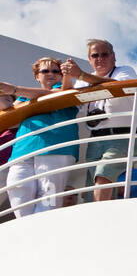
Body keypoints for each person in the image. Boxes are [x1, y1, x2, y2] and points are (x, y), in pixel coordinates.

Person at [1, 57, 81, 216]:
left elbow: (51, 95)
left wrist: (14, 89)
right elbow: (6, 110)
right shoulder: (23, 98)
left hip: (55, 147)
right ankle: (31, 234)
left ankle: (41, 233)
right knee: (18, 190)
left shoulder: (66, 87)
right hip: (22, 150)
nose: (51, 74)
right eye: (45, 71)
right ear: (37, 76)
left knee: (49, 197)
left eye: (55, 71)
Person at [79, 39, 137, 202]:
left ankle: (100, 217)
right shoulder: (85, 79)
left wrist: (80, 75)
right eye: (95, 55)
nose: (100, 58)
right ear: (89, 59)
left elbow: (119, 87)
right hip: (96, 138)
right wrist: (67, 76)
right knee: (93, 184)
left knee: (103, 173)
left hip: (122, 137)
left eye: (104, 54)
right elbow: (70, 96)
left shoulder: (124, 71)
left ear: (113, 57)